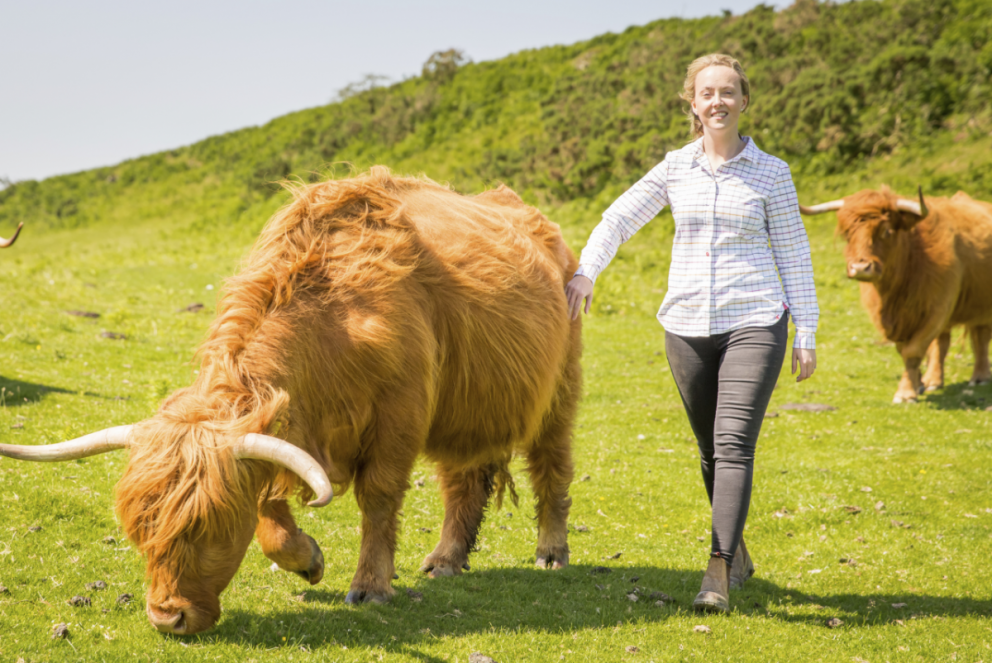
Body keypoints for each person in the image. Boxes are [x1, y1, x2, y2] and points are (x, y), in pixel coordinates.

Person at [565, 53, 818, 613]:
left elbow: (795, 252)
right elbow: (619, 216)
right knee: (710, 451)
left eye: (728, 92)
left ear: (744, 101)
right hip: (685, 327)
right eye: (708, 93)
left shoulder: (771, 172)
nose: (718, 102)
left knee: (732, 445)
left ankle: (718, 568)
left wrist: (807, 328)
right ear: (693, 102)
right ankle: (740, 551)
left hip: (755, 319)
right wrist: (587, 269)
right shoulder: (676, 167)